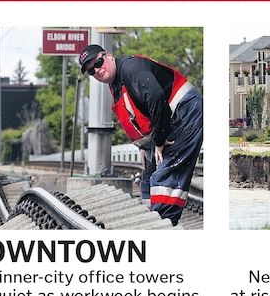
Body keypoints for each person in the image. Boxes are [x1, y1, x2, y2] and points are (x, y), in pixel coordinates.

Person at [79, 43, 203, 225]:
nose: (97, 70)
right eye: (91, 71)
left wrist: (159, 141)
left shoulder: (131, 69)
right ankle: (150, 218)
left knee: (164, 178)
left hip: (185, 113)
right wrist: (145, 145)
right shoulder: (115, 83)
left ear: (108, 56)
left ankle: (162, 225)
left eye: (98, 63)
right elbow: (137, 114)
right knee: (148, 177)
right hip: (168, 121)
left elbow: (156, 98)